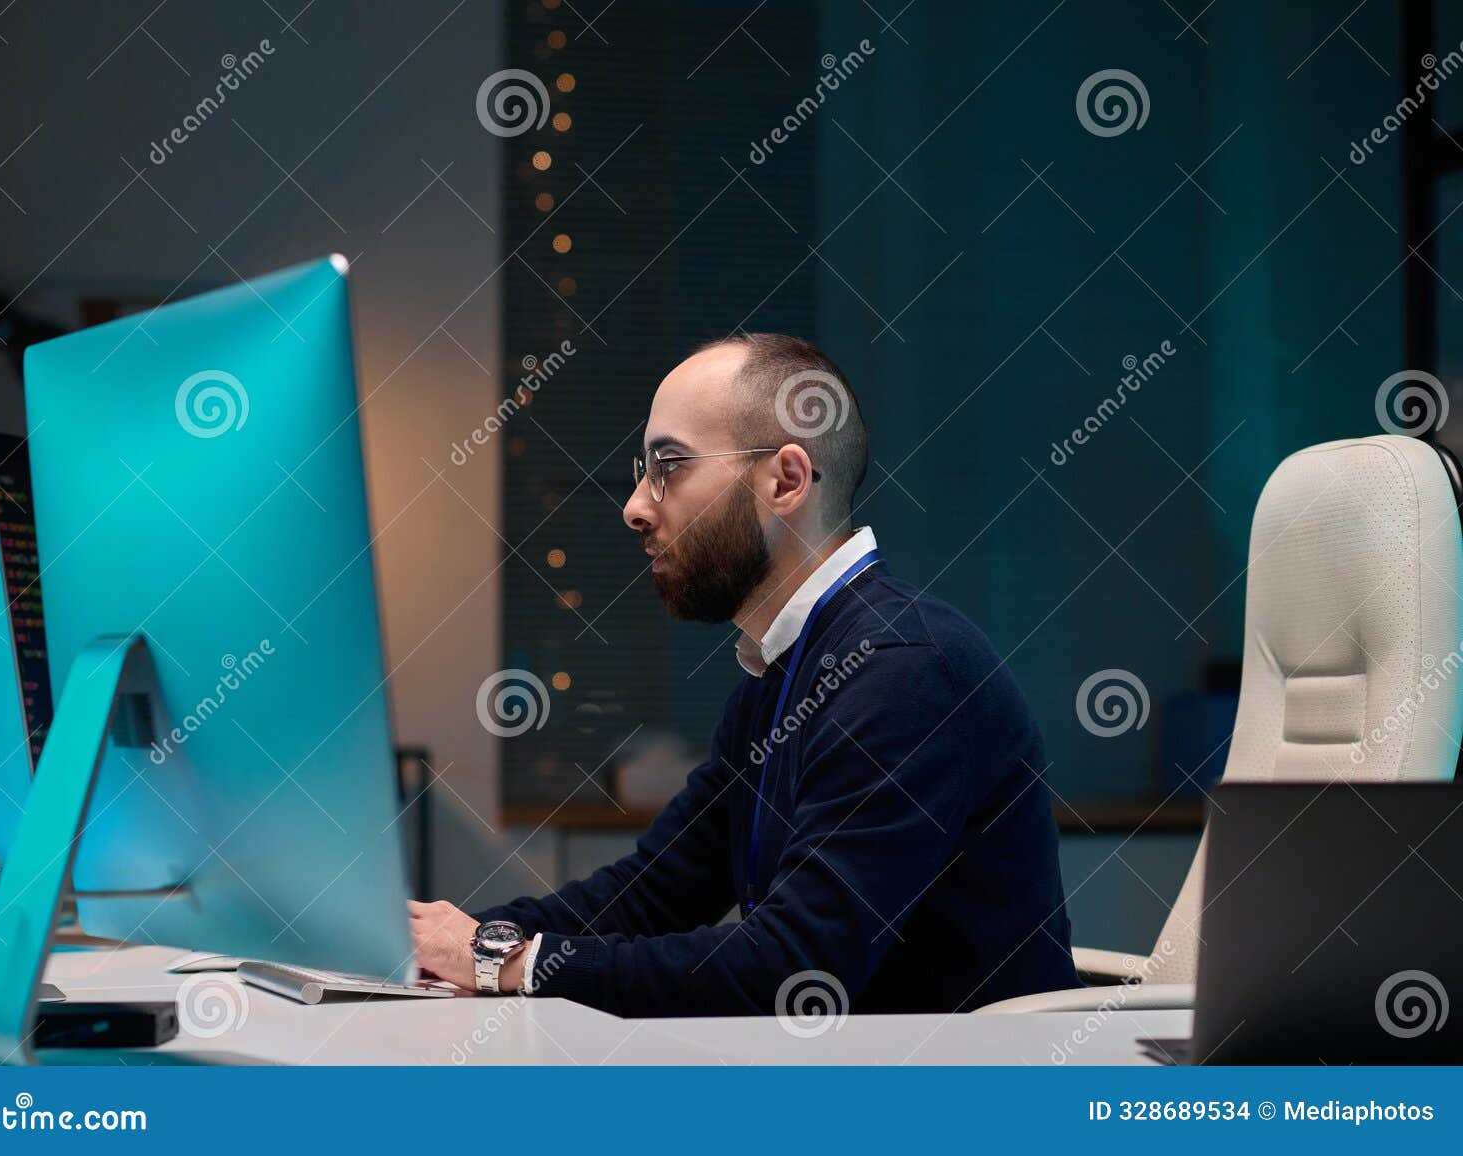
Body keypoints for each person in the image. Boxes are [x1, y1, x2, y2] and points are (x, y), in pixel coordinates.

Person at [410, 333, 1079, 1015]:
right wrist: (441, 946)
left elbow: (793, 967)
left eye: (669, 465)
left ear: (785, 481)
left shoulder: (904, 670)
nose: (635, 506)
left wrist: (510, 963)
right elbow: (656, 891)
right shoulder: (782, 675)